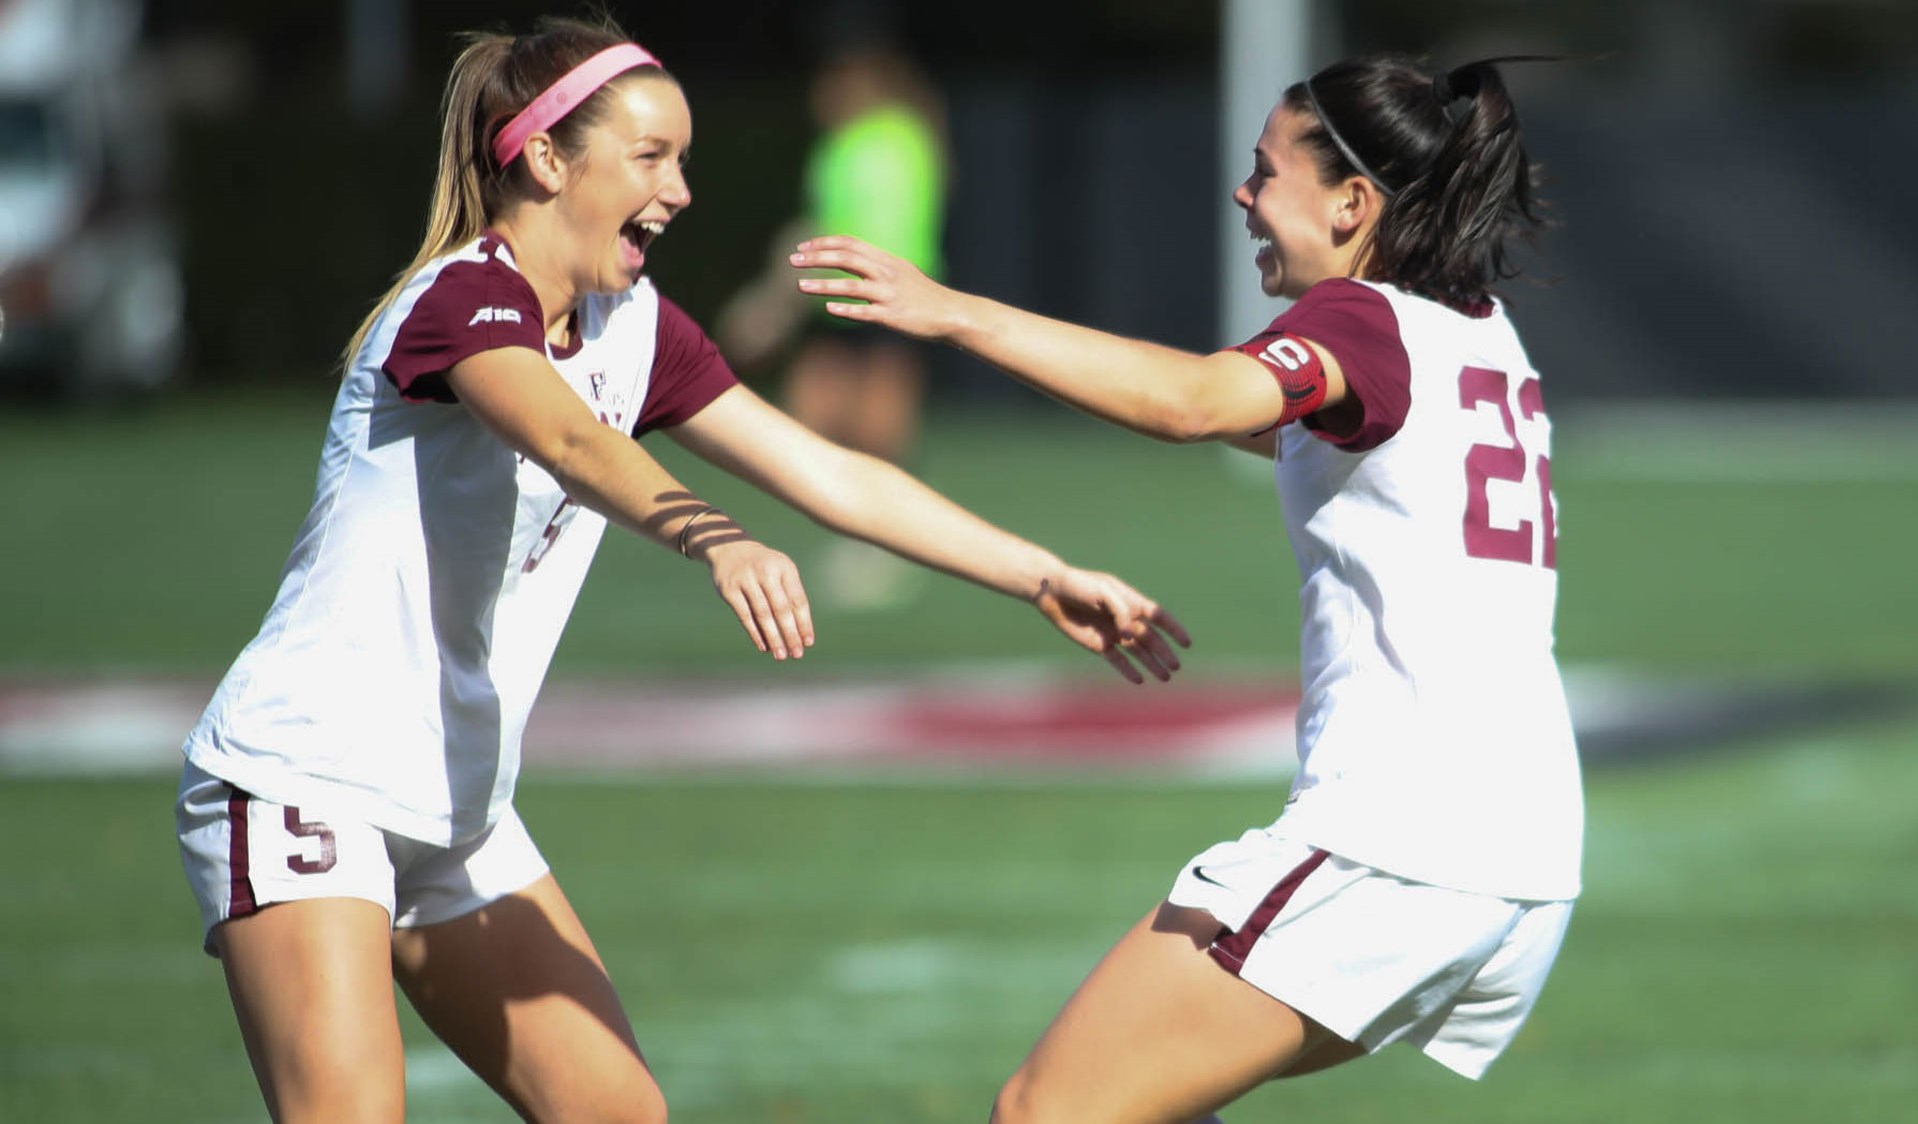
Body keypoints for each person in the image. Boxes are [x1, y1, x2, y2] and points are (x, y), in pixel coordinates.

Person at [173, 17, 1187, 1123]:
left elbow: (828, 472)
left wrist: (1037, 574)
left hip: (458, 804)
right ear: (549, 159)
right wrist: (714, 532)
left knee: (620, 1111)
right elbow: (566, 439)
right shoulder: (462, 301)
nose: (682, 190)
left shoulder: (631, 324)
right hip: (307, 775)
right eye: (651, 157)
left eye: (683, 160)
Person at [792, 54, 1581, 1123]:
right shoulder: (1475, 331)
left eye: (1265, 173)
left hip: (1401, 838)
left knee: (1047, 1110)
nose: (1243, 195)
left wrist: (956, 314)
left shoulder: (1361, 319)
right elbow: (1265, 426)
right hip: (1515, 847)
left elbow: (1190, 400)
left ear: (1353, 202)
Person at [718, 40, 948, 608]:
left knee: (879, 432)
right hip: (833, 303)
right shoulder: (839, 145)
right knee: (813, 420)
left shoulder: (895, 140)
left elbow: (870, 230)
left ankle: (888, 541)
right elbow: (821, 221)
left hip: (886, 301)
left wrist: (777, 299)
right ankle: (863, 526)